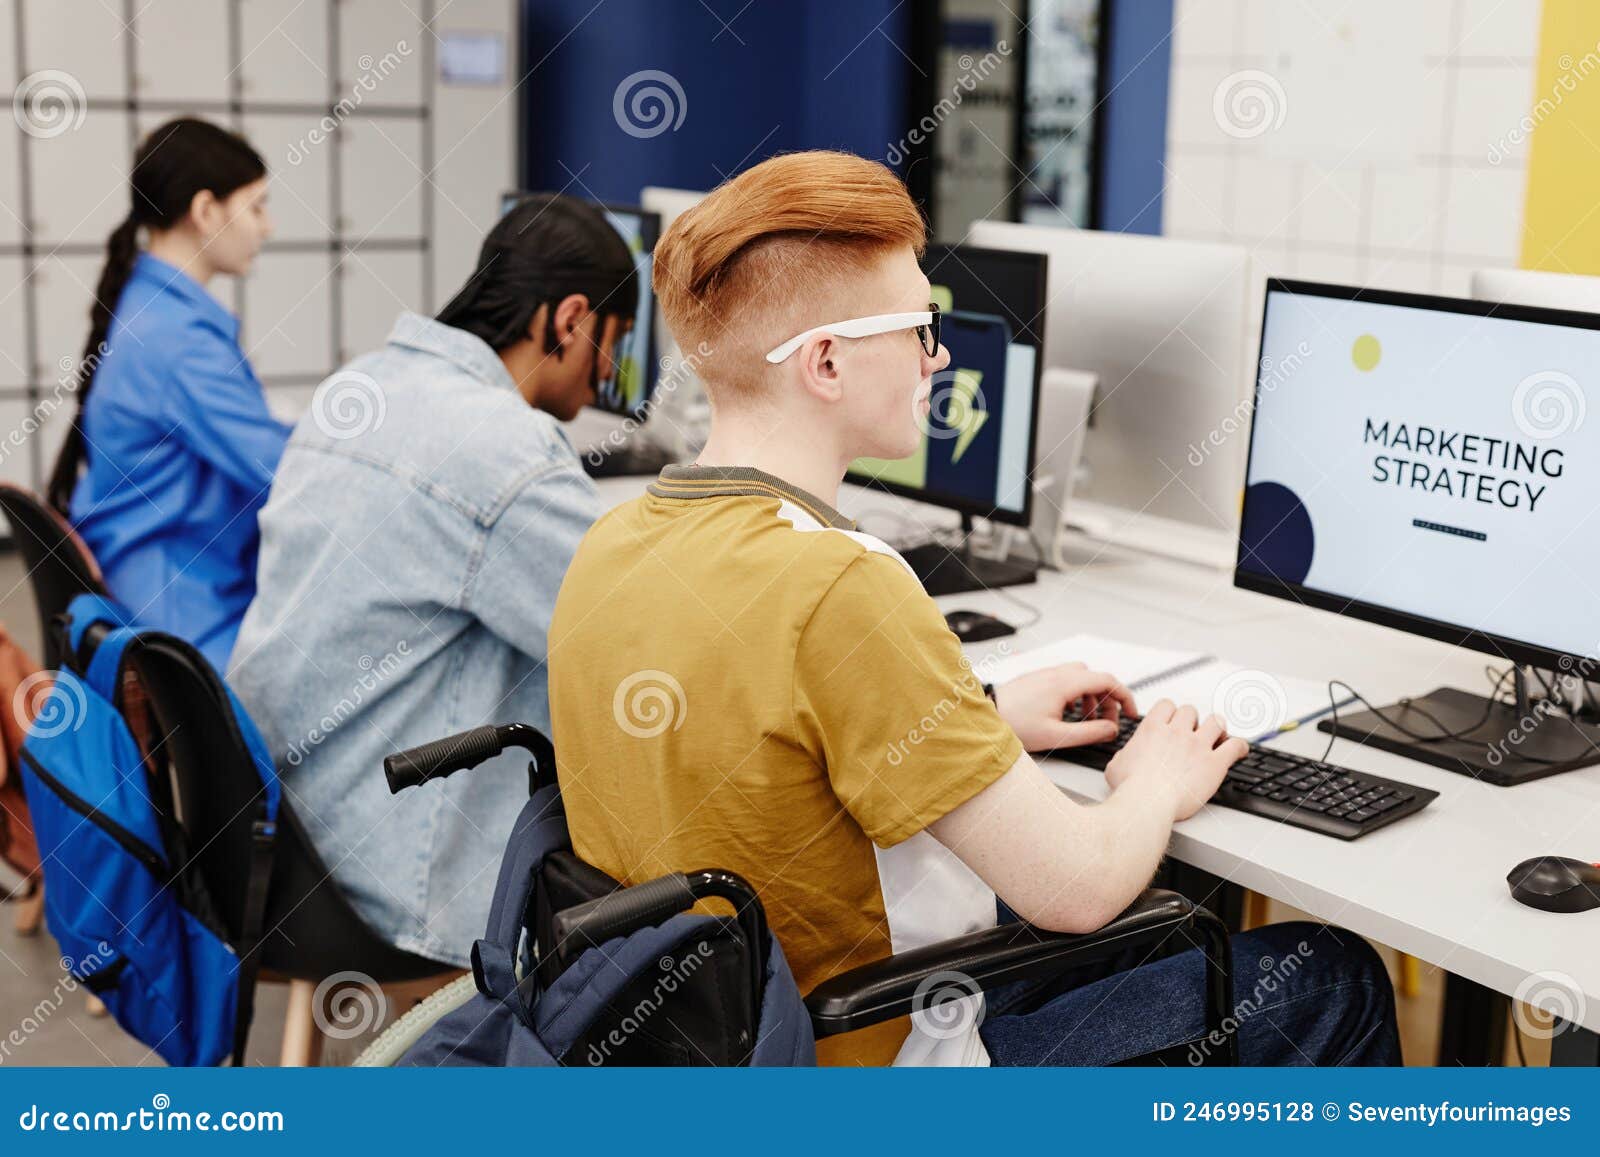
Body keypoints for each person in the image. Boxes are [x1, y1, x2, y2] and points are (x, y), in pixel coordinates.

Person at [547, 151, 1401, 1067]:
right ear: (827, 362)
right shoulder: (842, 584)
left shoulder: (616, 540)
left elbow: (759, 733)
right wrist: (1154, 777)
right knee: (1330, 973)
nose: (939, 354)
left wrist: (980, 719)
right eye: (920, 327)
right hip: (879, 1055)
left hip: (708, 1046)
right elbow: (1075, 891)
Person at [228, 194, 637, 964]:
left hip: (278, 840)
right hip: (391, 880)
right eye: (614, 347)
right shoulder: (505, 447)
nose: (606, 378)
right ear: (569, 320)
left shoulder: (359, 387)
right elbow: (628, 627)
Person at [53, 117, 289, 670]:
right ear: (206, 212)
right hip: (184, 610)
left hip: (144, 578)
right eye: (255, 207)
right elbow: (281, 471)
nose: (268, 227)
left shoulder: (147, 305)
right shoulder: (178, 339)